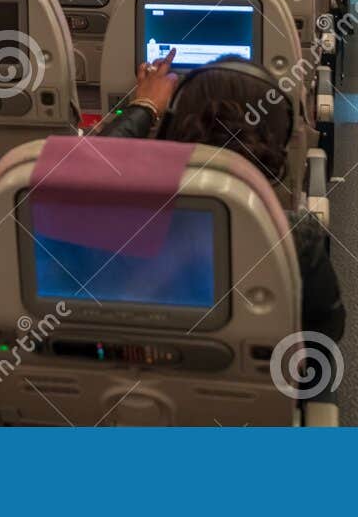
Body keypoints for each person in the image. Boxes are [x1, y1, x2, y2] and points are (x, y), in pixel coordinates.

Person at [101, 51, 345, 342]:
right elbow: (324, 339)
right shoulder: (292, 236)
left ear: (171, 128)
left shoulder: (126, 218)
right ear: (277, 139)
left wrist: (144, 106)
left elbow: (79, 173)